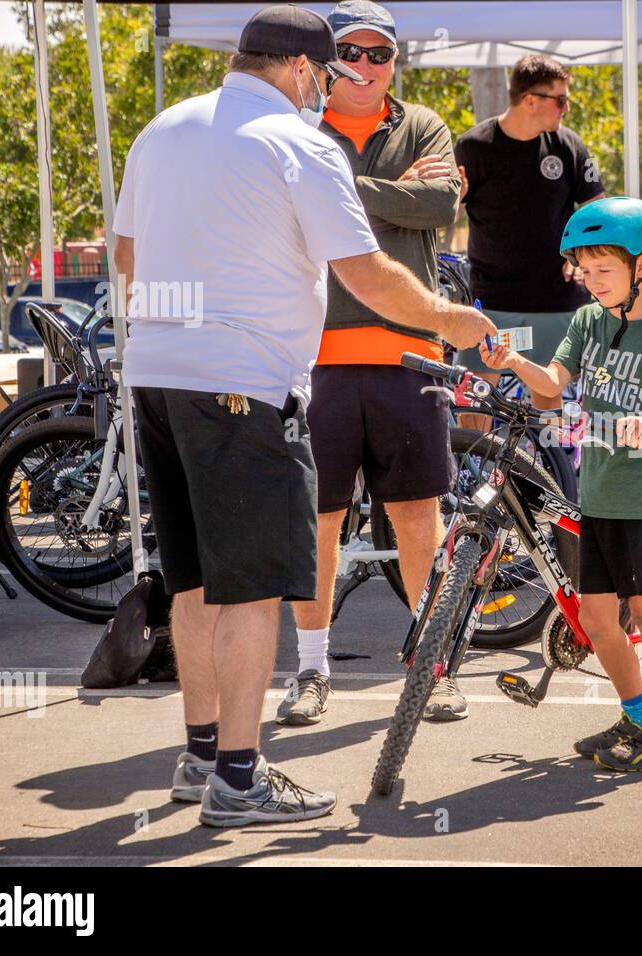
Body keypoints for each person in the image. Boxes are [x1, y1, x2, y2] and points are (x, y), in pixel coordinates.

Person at [112, 5, 493, 828]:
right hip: (245, 383)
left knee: (194, 577)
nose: (326, 92)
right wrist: (448, 319)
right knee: (251, 588)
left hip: (158, 374)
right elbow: (366, 272)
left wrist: (178, 322)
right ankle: (239, 781)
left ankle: (201, 755)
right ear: (299, 70)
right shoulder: (300, 143)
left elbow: (127, 257)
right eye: (326, 76)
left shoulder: (164, 129)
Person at [275, 1, 469, 727]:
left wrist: (338, 191)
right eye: (348, 52)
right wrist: (396, 197)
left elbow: (441, 205)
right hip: (310, 360)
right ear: (325, 61)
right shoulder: (296, 126)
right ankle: (312, 670)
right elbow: (289, 212)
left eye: (377, 53)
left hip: (410, 354)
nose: (362, 65)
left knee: (420, 517)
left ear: (396, 59)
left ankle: (434, 667)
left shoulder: (423, 126)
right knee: (316, 523)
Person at [479, 197, 642, 771]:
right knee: (596, 619)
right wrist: (512, 361)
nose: (591, 281)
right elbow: (553, 385)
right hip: (599, 496)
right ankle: (636, 714)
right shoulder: (587, 322)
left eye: (603, 270)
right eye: (584, 270)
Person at [454, 54, 606, 418]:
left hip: (555, 303)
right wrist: (448, 196)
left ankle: (545, 475)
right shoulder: (474, 146)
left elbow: (596, 213)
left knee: (547, 404)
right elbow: (446, 213)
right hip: (492, 304)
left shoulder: (569, 146)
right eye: (560, 99)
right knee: (474, 400)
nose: (567, 108)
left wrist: (582, 256)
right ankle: (476, 476)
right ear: (530, 100)